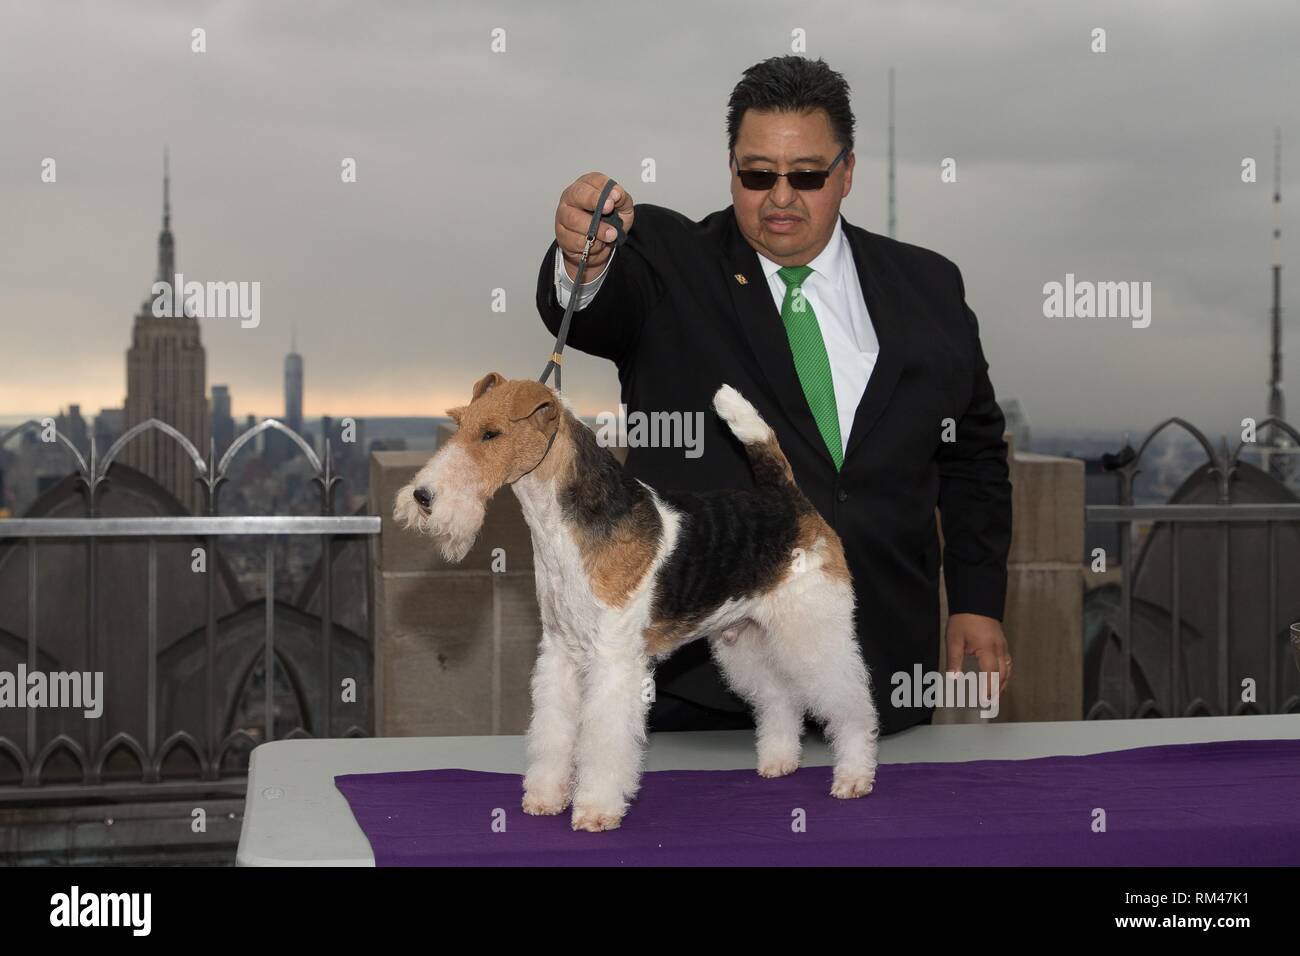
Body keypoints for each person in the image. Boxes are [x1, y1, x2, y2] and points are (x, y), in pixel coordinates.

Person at [534, 55, 1013, 736]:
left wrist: (976, 600)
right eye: (757, 174)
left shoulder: (931, 286)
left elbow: (972, 460)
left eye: (807, 175)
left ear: (847, 172)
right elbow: (597, 304)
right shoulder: (670, 263)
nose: (780, 197)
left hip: (879, 676)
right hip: (701, 689)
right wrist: (585, 254)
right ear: (731, 168)